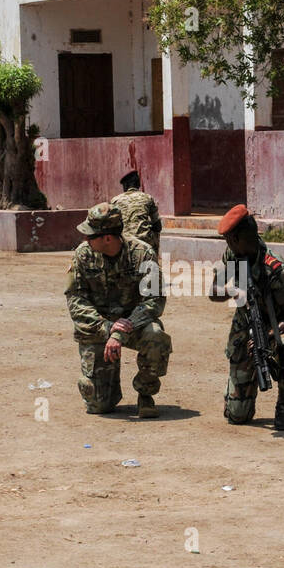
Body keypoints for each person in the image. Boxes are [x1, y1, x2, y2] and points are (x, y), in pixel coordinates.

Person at [65, 203, 171, 417]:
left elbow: (154, 301)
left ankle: (145, 393)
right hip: (98, 327)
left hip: (132, 324)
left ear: (107, 238)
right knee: (99, 406)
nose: (86, 239)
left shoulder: (142, 254)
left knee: (155, 335)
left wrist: (119, 333)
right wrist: (107, 327)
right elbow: (76, 300)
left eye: (91, 235)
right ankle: (106, 389)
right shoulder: (83, 255)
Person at [210, 204, 284, 430]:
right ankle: (238, 389)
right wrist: (233, 291)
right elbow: (213, 291)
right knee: (237, 416)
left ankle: (283, 405)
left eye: (231, 239)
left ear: (241, 237)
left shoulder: (275, 268)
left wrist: (269, 334)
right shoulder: (232, 256)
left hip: (277, 326)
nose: (228, 244)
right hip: (244, 325)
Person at [109, 169, 162, 252]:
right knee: (155, 233)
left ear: (125, 185)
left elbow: (111, 225)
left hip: (124, 244)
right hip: (144, 243)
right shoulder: (148, 198)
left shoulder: (115, 201)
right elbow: (158, 226)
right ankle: (153, 258)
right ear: (138, 184)